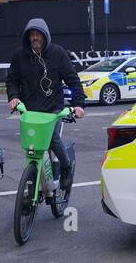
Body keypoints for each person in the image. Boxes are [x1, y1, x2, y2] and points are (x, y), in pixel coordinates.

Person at [6, 18, 85, 190]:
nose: (35, 38)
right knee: (32, 147)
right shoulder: (20, 55)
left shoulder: (58, 53)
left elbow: (73, 80)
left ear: (45, 36)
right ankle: (31, 188)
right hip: (30, 110)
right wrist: (13, 97)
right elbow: (12, 79)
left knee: (50, 140)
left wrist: (79, 104)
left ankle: (65, 168)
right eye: (31, 35)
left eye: (38, 35)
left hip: (53, 109)